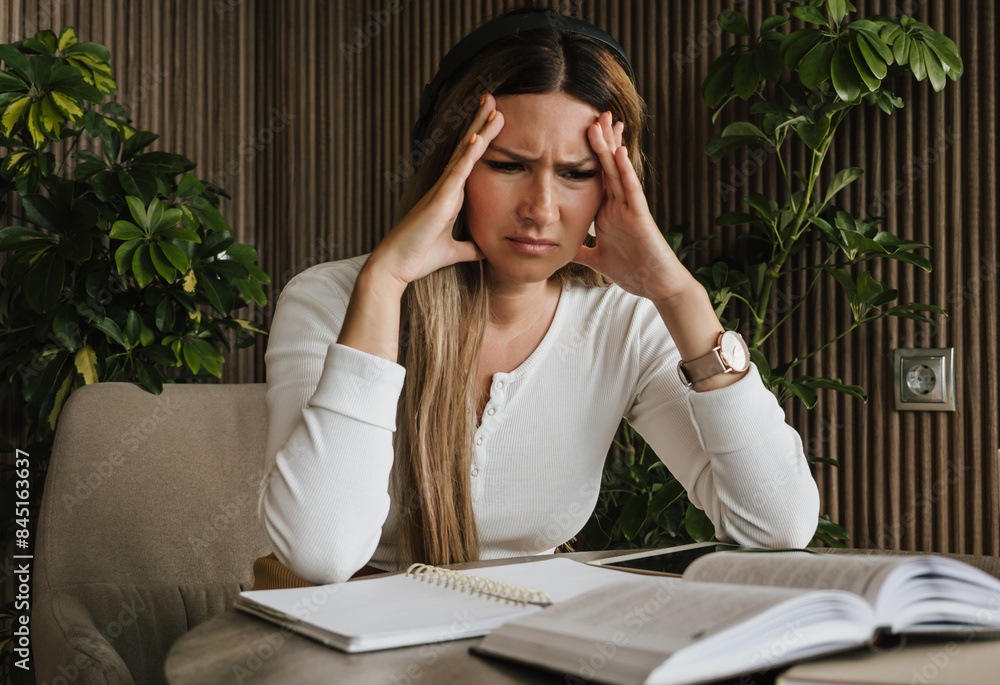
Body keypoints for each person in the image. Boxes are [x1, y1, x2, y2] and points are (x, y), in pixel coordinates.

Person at [254, 6, 820, 588]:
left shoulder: (622, 323)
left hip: (532, 643)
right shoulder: (329, 301)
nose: (541, 210)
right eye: (508, 165)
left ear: (613, 183)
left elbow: (777, 526)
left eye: (575, 173)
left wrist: (678, 293)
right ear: (452, 163)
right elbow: (319, 555)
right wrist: (385, 283)